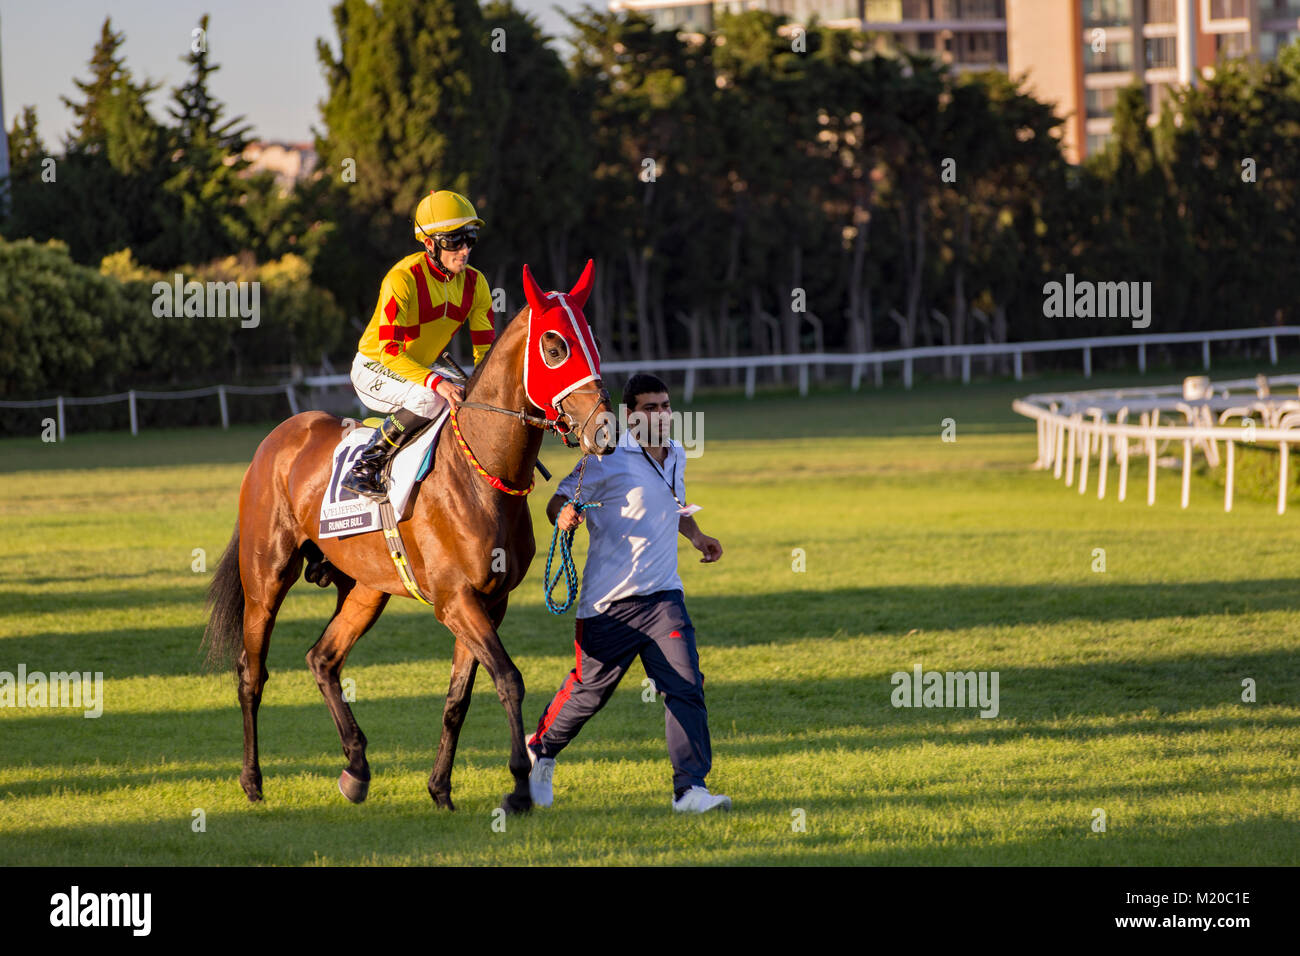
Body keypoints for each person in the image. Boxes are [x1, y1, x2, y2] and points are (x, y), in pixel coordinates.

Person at [525, 373, 730, 813]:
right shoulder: (606, 455)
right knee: (589, 694)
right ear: (629, 415)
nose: (661, 415)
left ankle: (689, 790)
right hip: (609, 604)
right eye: (650, 408)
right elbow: (557, 501)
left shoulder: (675, 453)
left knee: (686, 686)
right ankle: (540, 748)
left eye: (666, 406)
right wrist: (564, 515)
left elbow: (673, 503)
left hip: (664, 598)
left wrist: (697, 536)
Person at [342, 188, 498, 500]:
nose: (464, 250)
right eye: (454, 241)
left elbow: (485, 354)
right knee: (431, 395)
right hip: (375, 366)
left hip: (419, 369)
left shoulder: (476, 284)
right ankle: (365, 467)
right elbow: (389, 351)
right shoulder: (402, 279)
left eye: (469, 239)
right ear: (429, 244)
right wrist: (436, 382)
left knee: (466, 397)